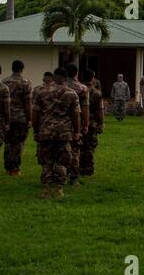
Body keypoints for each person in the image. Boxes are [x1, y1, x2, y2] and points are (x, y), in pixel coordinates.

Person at [32, 66, 80, 199]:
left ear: (54, 77)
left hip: (46, 131)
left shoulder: (41, 92)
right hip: (63, 132)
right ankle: (59, 189)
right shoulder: (71, 93)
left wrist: (36, 131)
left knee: (47, 161)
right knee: (61, 161)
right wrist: (77, 131)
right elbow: (75, 115)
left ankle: (46, 190)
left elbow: (35, 114)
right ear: (65, 78)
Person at [3, 60, 33, 175]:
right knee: (19, 144)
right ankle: (15, 168)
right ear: (22, 68)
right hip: (20, 118)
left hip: (7, 117)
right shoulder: (25, 83)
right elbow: (27, 103)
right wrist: (29, 119)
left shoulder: (4, 82)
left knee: (8, 143)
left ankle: (7, 167)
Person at [65, 66, 90, 184]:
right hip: (75, 122)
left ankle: (59, 175)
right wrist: (85, 125)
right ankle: (73, 178)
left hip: (59, 123)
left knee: (60, 150)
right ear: (76, 73)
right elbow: (84, 108)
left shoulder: (56, 87)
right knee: (75, 150)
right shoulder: (82, 88)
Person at [79, 68, 104, 177]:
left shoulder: (76, 90)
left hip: (78, 122)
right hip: (92, 122)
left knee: (78, 147)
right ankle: (88, 170)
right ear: (92, 78)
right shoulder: (96, 93)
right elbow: (100, 110)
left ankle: (77, 168)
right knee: (89, 148)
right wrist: (101, 123)